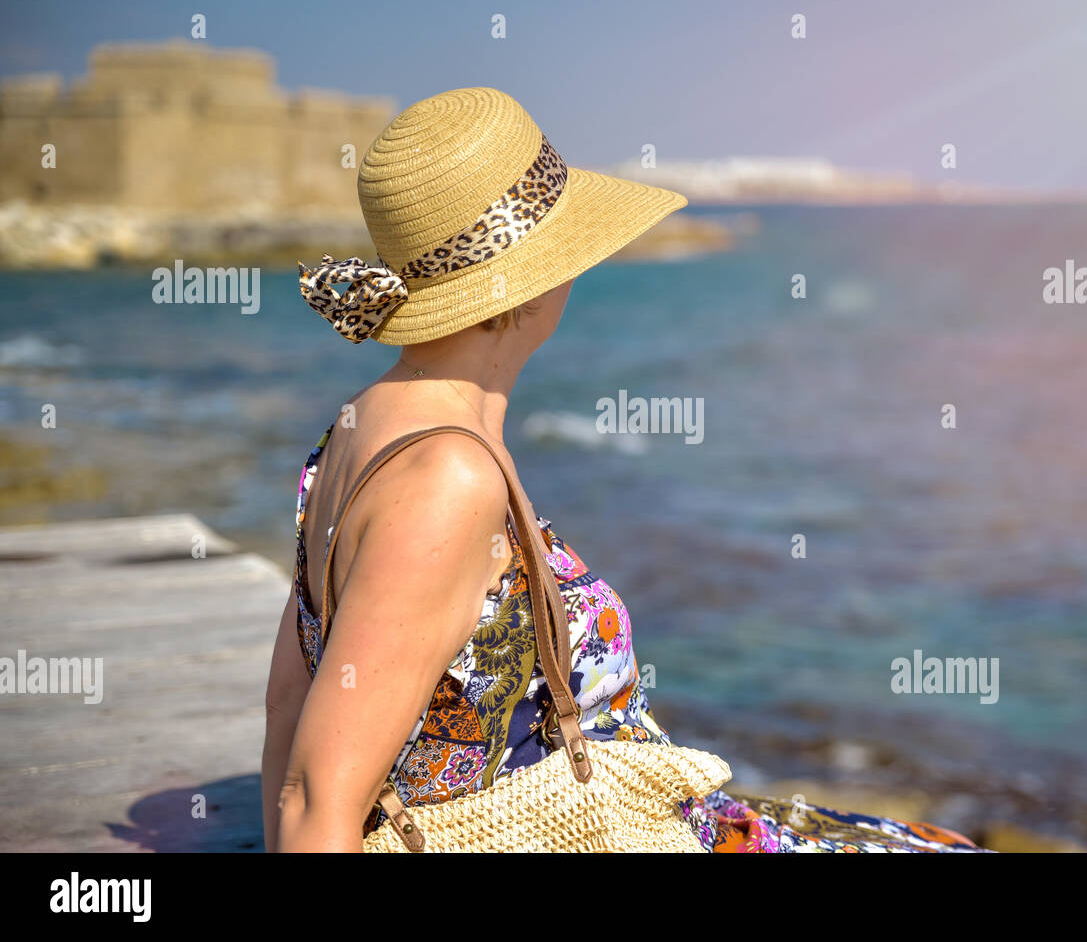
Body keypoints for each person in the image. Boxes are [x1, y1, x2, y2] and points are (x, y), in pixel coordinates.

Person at [261, 87, 988, 853]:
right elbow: (315, 794)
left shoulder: (360, 429)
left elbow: (288, 701)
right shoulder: (450, 477)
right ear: (527, 283)